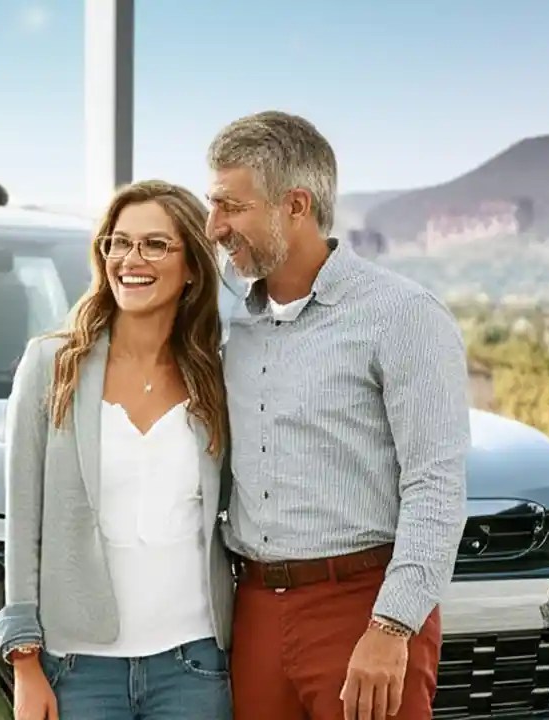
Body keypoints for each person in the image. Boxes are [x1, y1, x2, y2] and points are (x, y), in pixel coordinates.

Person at [204, 111, 470, 720]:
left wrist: (393, 625)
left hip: (363, 609)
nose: (215, 226)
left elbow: (436, 485)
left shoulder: (404, 316)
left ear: (294, 205)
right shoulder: (227, 319)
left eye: (230, 206)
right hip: (254, 611)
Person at [0, 180, 235, 720]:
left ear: (192, 265)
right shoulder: (51, 366)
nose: (130, 259)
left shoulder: (217, 373)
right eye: (117, 243)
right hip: (79, 668)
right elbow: (23, 521)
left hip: (194, 664)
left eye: (154, 245)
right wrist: (25, 663)